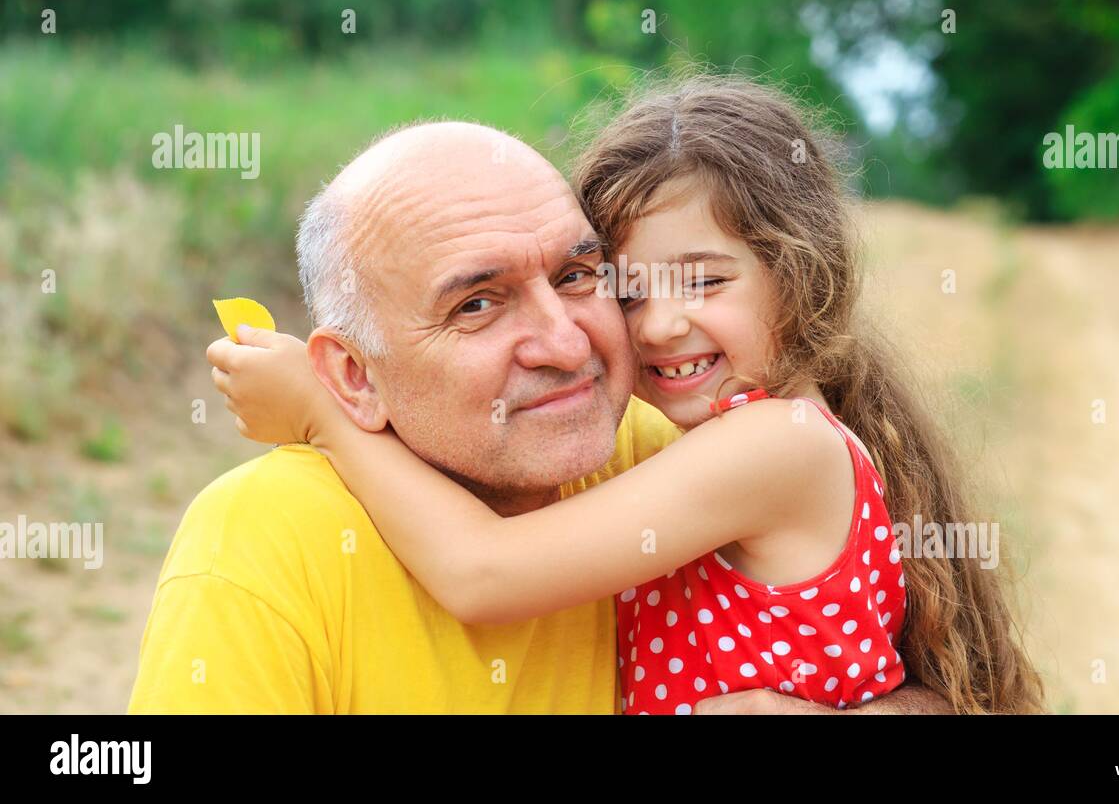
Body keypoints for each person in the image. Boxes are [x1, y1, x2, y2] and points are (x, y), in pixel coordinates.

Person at [209, 78, 1043, 713]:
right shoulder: (674, 438)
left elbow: (483, 572)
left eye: (706, 280)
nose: (657, 327)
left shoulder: (770, 446)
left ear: (799, 276)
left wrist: (324, 416)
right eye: (628, 291)